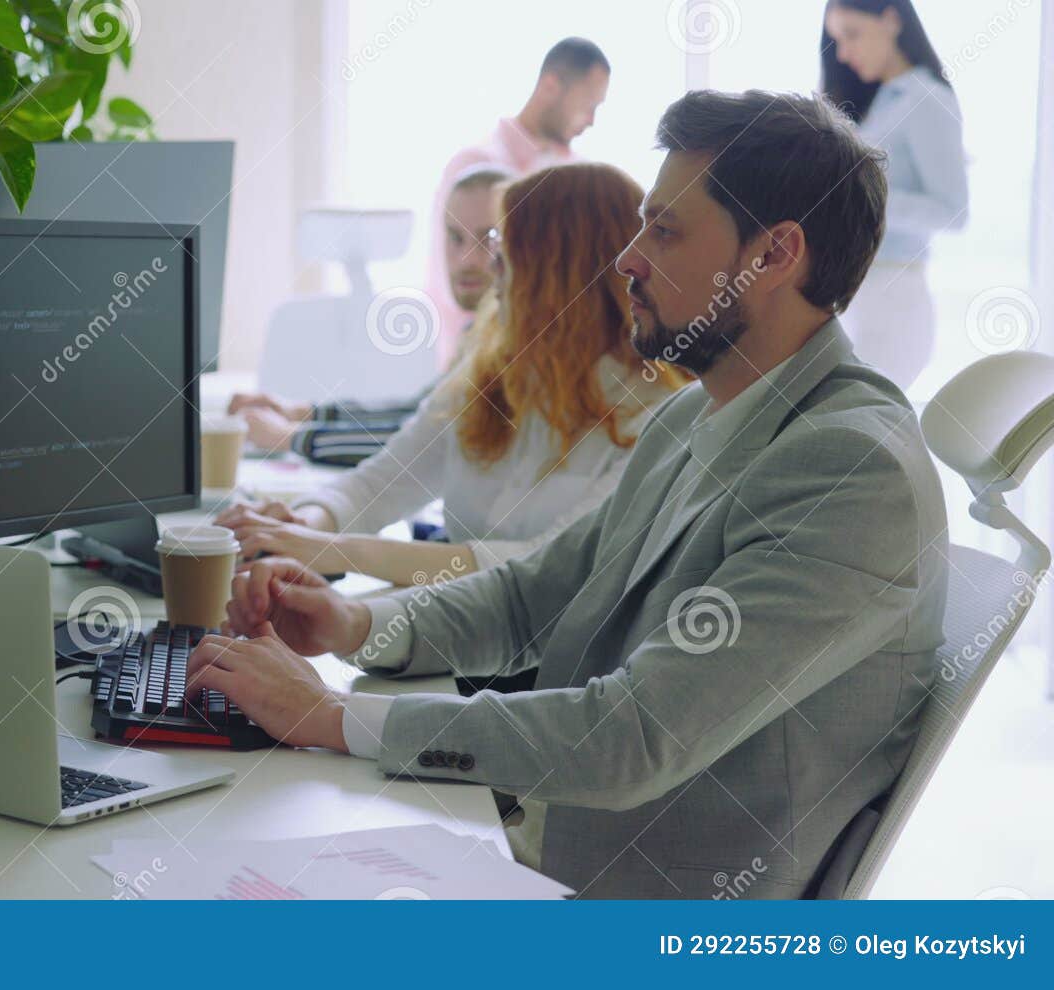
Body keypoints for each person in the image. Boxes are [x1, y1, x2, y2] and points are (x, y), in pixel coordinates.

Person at [186, 89, 948, 900]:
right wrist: (354, 623)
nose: (627, 260)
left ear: (774, 255)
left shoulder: (847, 469)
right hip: (546, 849)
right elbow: (534, 597)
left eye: (664, 230)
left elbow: (632, 736)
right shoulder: (698, 413)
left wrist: (332, 719)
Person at [216, 163, 686, 588]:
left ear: (556, 277)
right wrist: (300, 525)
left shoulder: (660, 418)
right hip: (451, 644)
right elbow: (378, 484)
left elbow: (532, 567)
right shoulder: (492, 372)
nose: (487, 268)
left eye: (502, 250)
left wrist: (328, 550)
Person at [230, 165, 516, 462]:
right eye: (455, 237)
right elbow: (422, 411)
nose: (465, 260)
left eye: (488, 238)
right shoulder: (480, 333)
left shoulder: (513, 342)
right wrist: (302, 412)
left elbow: (426, 442)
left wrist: (288, 438)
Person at [427, 37, 611, 348]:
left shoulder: (578, 177)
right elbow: (453, 275)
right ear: (551, 86)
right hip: (481, 357)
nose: (591, 121)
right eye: (588, 105)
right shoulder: (477, 164)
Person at [822, 0, 967, 389]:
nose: (844, 52)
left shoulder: (925, 98)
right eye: (837, 40)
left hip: (894, 299)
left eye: (852, 34)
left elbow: (954, 211)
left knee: (862, 429)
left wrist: (859, 195)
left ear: (890, 20)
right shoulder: (880, 101)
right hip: (858, 293)